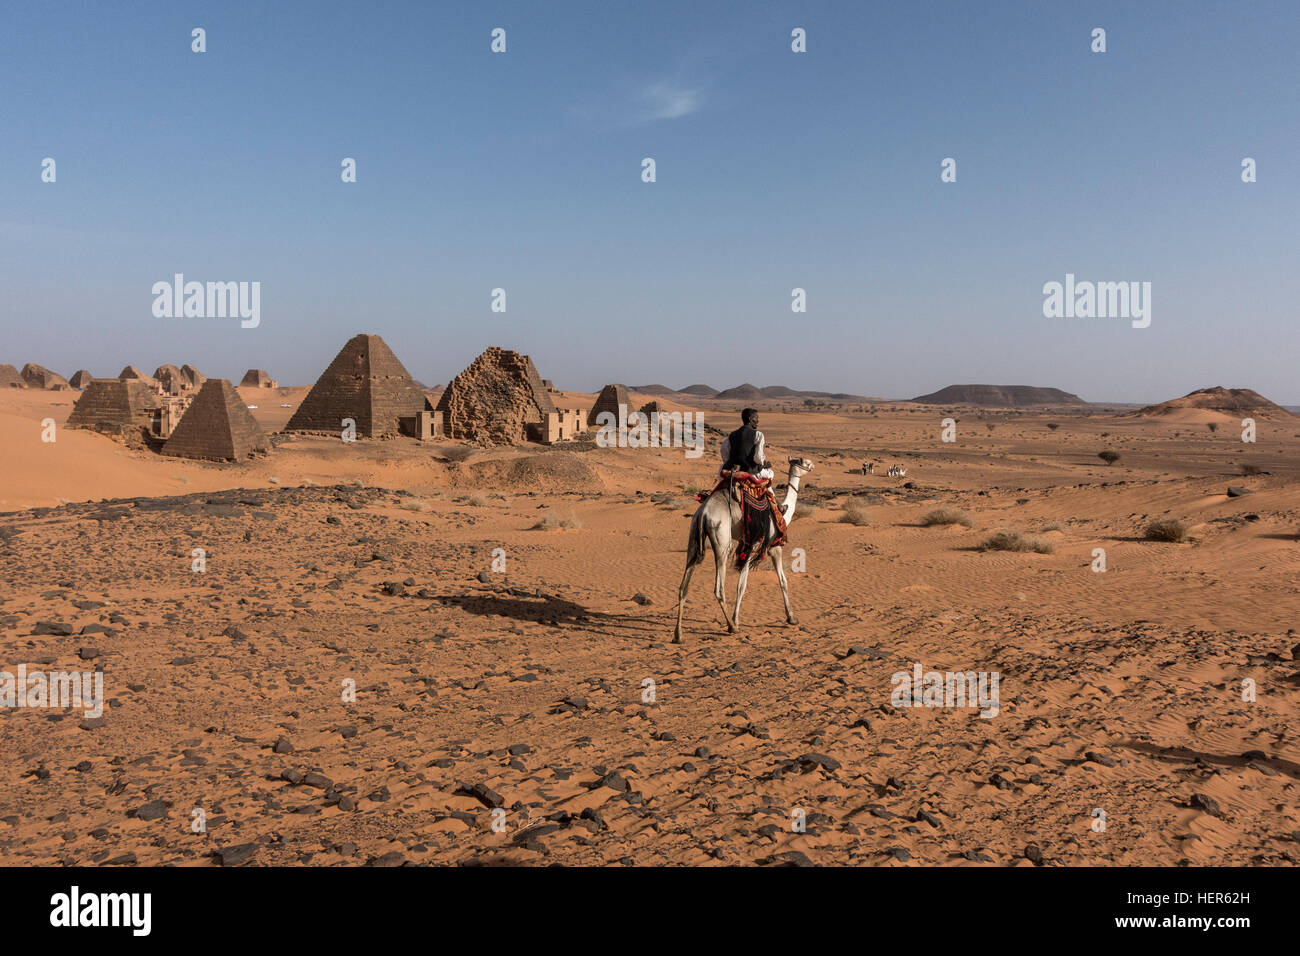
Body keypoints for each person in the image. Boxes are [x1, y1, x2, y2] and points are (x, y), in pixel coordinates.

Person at [719, 408, 774, 481]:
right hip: (751, 472)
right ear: (750, 419)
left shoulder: (731, 435)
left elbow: (724, 454)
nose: (757, 421)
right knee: (770, 473)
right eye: (756, 418)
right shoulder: (758, 435)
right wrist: (764, 464)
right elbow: (758, 458)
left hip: (732, 471)